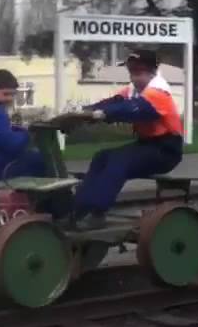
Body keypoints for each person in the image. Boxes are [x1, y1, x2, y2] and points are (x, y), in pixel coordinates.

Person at [73, 49, 184, 229]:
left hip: (166, 151)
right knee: (102, 157)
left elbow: (136, 109)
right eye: (131, 72)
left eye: (139, 73)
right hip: (146, 146)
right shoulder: (133, 90)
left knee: (120, 162)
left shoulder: (158, 91)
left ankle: (97, 212)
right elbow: (114, 102)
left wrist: (103, 114)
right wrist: (84, 111)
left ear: (152, 73)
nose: (134, 78)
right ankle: (79, 208)